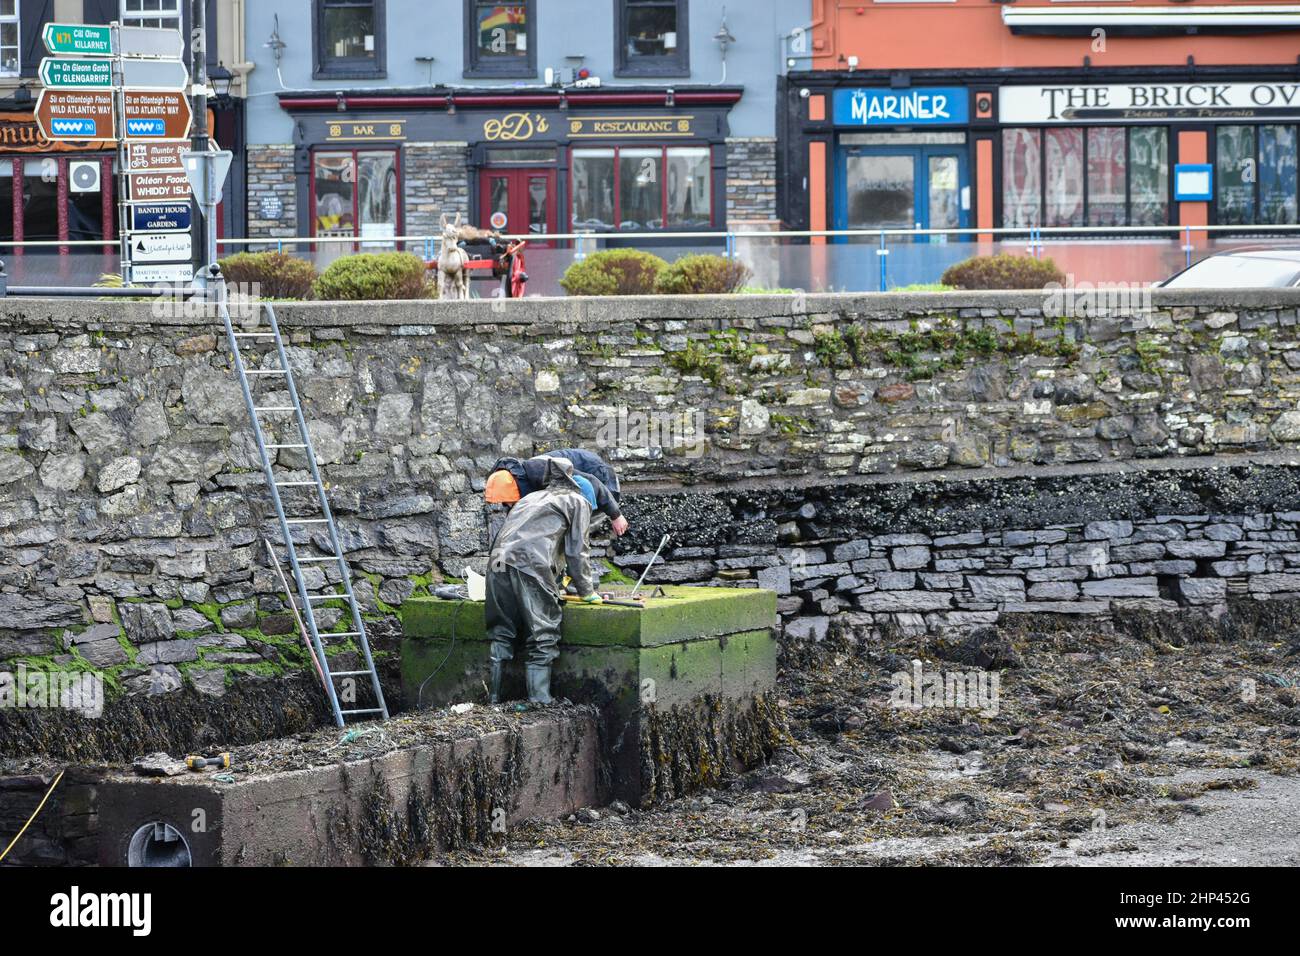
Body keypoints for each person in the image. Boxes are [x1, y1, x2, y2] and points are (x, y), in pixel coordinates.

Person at [485, 457, 602, 705]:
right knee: (543, 632)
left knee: (501, 632)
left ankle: (494, 699)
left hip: (497, 562)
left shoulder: (528, 498)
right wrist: (587, 590)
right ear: (572, 477)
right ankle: (540, 700)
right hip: (530, 563)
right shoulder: (577, 501)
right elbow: (576, 551)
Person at [486, 448, 629, 537]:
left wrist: (616, 515)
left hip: (597, 477)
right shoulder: (517, 480)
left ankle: (578, 578)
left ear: (514, 492)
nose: (506, 505)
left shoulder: (540, 472)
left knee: (574, 533)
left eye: (507, 502)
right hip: (572, 486)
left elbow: (589, 482)